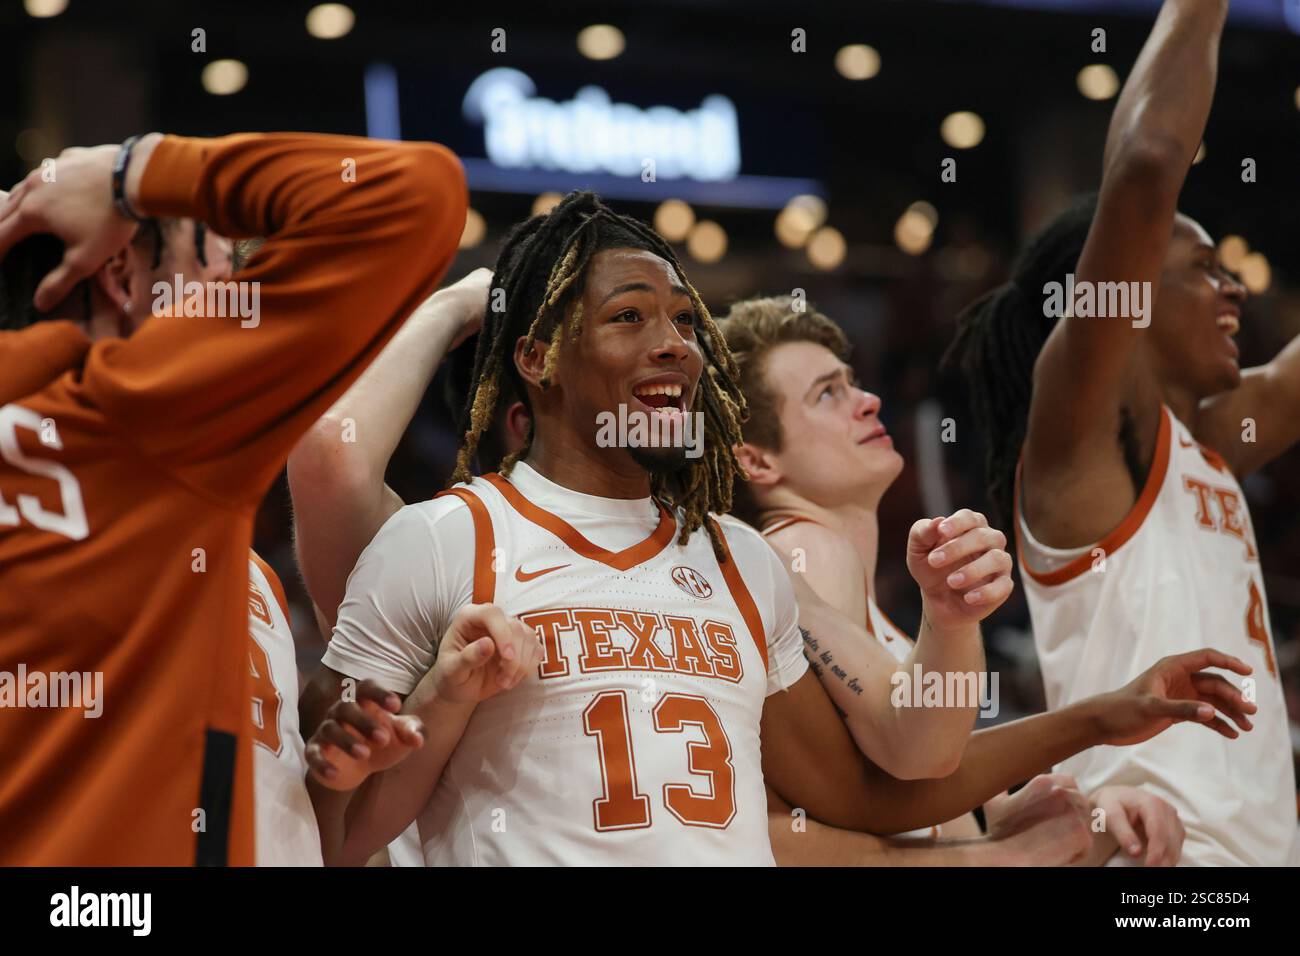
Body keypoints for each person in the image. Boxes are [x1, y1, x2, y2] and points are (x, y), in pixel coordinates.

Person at [296, 192, 1252, 865]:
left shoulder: (736, 559)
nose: (674, 340)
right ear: (538, 358)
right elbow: (337, 837)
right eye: (630, 317)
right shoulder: (440, 541)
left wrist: (1107, 713)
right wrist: (442, 700)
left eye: (683, 317)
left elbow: (872, 796)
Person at [0, 130, 466, 864]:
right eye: (217, 261)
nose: (237, 285)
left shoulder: (236, 566)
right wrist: (133, 172)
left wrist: (323, 755)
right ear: (124, 272)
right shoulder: (138, 421)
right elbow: (415, 192)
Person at [948, 0, 1298, 865]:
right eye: (1203, 269)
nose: (1235, 290)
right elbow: (1145, 165)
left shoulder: (1209, 442)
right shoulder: (1079, 434)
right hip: (1158, 863)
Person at [719, 295, 1186, 866]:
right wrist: (1003, 853)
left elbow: (928, 785)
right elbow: (909, 756)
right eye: (828, 394)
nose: (867, 402)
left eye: (853, 383)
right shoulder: (802, 550)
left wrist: (1081, 815)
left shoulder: (855, 607)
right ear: (758, 462)